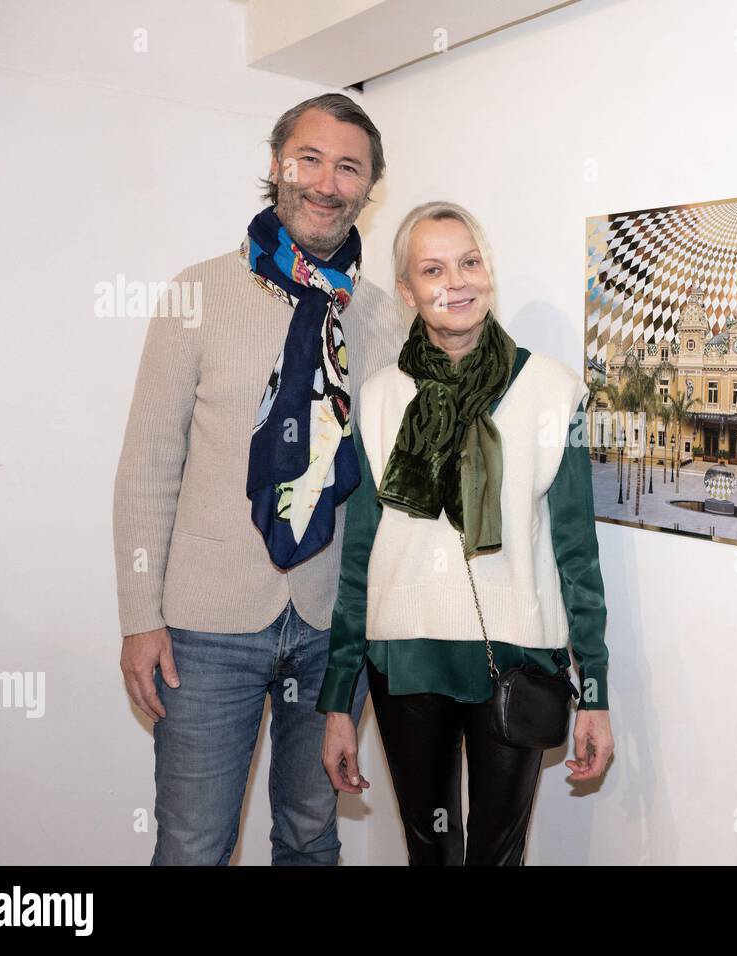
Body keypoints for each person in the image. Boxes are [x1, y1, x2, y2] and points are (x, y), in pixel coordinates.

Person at [113, 93, 403, 864]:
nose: (327, 183)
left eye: (349, 168)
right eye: (309, 159)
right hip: (204, 629)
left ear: (367, 190)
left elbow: (391, 484)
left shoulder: (382, 321)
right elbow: (147, 467)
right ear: (277, 166)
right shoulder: (196, 295)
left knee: (310, 837)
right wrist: (141, 616)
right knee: (193, 843)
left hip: (328, 627)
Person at [317, 201, 613, 865]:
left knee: (496, 856)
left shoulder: (553, 390)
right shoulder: (378, 397)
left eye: (469, 261)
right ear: (407, 291)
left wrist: (594, 690)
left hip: (515, 661)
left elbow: (576, 553)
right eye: (433, 267)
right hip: (405, 660)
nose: (456, 280)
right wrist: (339, 700)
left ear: (488, 272)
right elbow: (359, 554)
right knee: (431, 853)